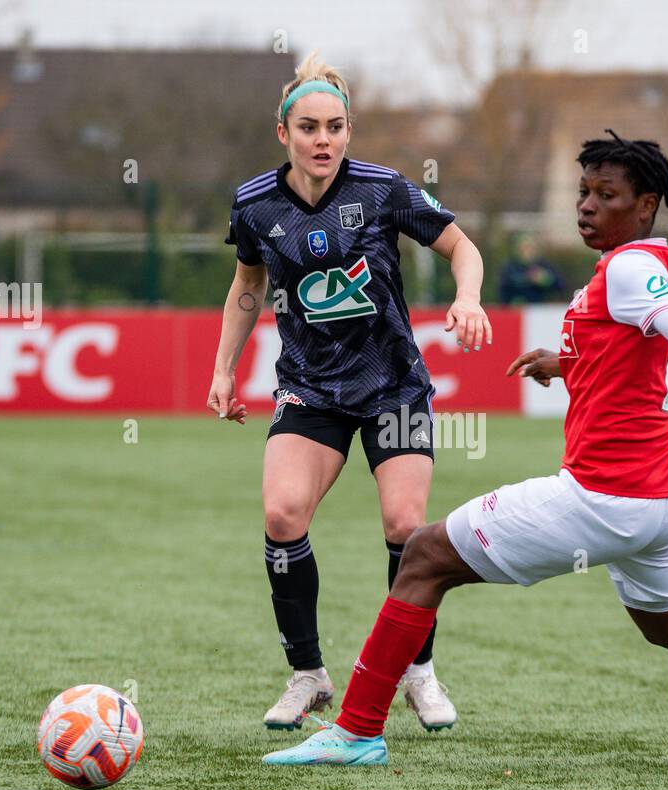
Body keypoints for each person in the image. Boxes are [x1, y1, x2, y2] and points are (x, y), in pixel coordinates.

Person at [263, 131, 668, 767]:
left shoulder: (630, 269)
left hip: (603, 498)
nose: (587, 206)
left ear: (646, 205)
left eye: (607, 194)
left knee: (425, 554)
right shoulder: (633, 266)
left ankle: (356, 731)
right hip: (659, 504)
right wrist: (565, 362)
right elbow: (634, 354)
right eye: (583, 192)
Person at [209, 52, 491, 732]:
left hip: (392, 385)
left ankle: (416, 670)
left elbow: (462, 247)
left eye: (335, 126)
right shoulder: (253, 203)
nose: (323, 140)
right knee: (282, 514)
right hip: (311, 389)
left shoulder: (382, 189)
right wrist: (224, 369)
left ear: (349, 129)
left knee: (405, 526)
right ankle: (307, 674)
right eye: (308, 127)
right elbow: (248, 284)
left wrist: (469, 297)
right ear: (284, 132)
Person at [498, 233, 565, 303]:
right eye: (524, 247)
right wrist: (527, 278)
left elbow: (559, 284)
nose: (527, 251)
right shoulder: (510, 267)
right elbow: (504, 286)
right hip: (515, 310)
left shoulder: (543, 265)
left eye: (530, 247)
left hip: (539, 310)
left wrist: (545, 279)